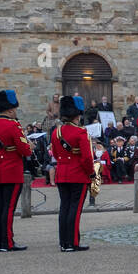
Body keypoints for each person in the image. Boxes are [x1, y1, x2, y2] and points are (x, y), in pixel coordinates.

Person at [0, 90, 33, 252]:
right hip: (12, 170)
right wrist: (30, 146)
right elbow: (25, 150)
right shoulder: (14, 125)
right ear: (11, 110)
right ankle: (7, 242)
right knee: (8, 208)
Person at [51, 95, 94, 252]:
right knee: (74, 210)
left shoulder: (56, 132)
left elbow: (55, 154)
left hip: (61, 174)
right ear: (77, 115)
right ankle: (73, 242)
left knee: (64, 208)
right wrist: (91, 174)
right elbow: (87, 158)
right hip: (78, 175)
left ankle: (64, 242)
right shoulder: (81, 133)